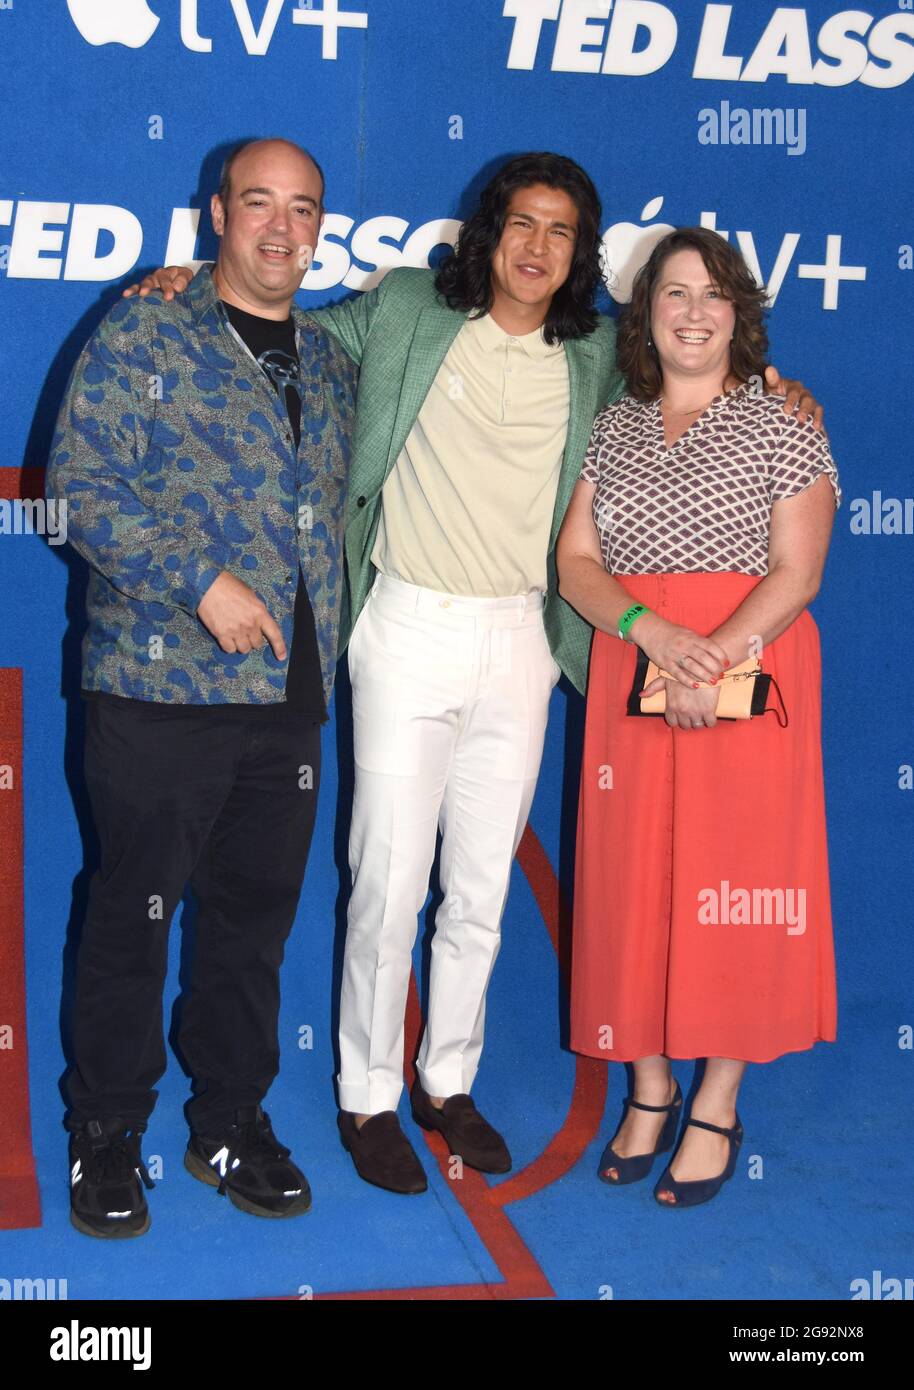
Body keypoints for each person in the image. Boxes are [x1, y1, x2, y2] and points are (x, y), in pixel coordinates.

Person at [128, 155, 819, 1197]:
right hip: (406, 621)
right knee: (388, 879)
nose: (538, 248)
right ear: (484, 234)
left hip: (522, 640)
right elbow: (288, 325)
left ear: (581, 254)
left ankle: (446, 1082)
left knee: (480, 886)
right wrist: (182, 280)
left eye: (562, 232)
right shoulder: (406, 305)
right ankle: (366, 1096)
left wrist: (774, 382)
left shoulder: (593, 353)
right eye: (521, 225)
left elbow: (702, 385)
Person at [46, 138, 357, 1237]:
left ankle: (227, 1118)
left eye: (304, 209)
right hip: (158, 688)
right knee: (134, 916)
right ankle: (107, 1131)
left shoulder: (330, 357)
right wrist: (199, 582)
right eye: (258, 203)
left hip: (291, 694)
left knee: (249, 926)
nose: (281, 228)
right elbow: (77, 490)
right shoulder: (143, 327)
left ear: (322, 226)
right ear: (214, 214)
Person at [556, 227, 840, 1208]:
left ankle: (715, 1099)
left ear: (739, 313)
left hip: (745, 667)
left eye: (711, 294)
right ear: (646, 312)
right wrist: (649, 633)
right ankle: (645, 1086)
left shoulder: (782, 421)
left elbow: (795, 572)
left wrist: (704, 655)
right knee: (632, 883)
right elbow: (575, 563)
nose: (690, 311)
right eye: (672, 292)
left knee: (734, 886)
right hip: (633, 667)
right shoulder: (615, 423)